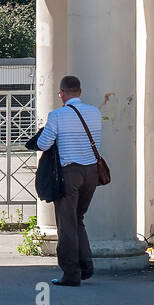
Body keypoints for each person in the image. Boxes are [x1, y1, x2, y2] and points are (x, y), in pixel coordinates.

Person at [35, 75, 102, 286]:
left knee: (66, 224)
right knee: (78, 218)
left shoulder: (57, 115)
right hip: (92, 172)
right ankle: (86, 265)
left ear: (62, 93)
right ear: (80, 92)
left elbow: (44, 144)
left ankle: (71, 273)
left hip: (69, 173)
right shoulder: (95, 112)